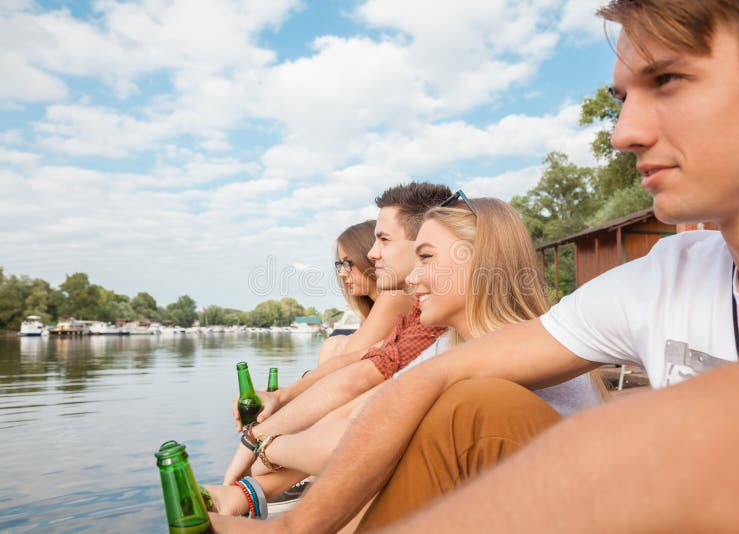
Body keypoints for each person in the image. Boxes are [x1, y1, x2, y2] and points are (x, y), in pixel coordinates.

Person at [209, 0, 739, 531]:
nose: (623, 133)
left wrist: (265, 454)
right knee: (465, 400)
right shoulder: (667, 274)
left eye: (668, 79)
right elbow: (417, 383)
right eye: (622, 100)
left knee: (477, 407)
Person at [205, 197, 604, 520]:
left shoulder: (523, 358)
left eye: (426, 258)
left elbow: (355, 438)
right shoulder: (448, 349)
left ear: (478, 262)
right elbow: (361, 416)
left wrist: (267, 445)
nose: (411, 280)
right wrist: (248, 486)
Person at [222, 182, 452, 485]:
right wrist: (281, 401)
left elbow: (357, 381)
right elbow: (360, 362)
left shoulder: (414, 307)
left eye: (383, 240)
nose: (372, 254)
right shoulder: (420, 312)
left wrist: (261, 443)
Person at [316, 219, 414, 367]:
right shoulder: (385, 303)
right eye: (340, 265)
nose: (342, 273)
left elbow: (343, 366)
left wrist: (306, 377)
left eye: (348, 263)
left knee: (333, 344)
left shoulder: (396, 296)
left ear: (369, 258)